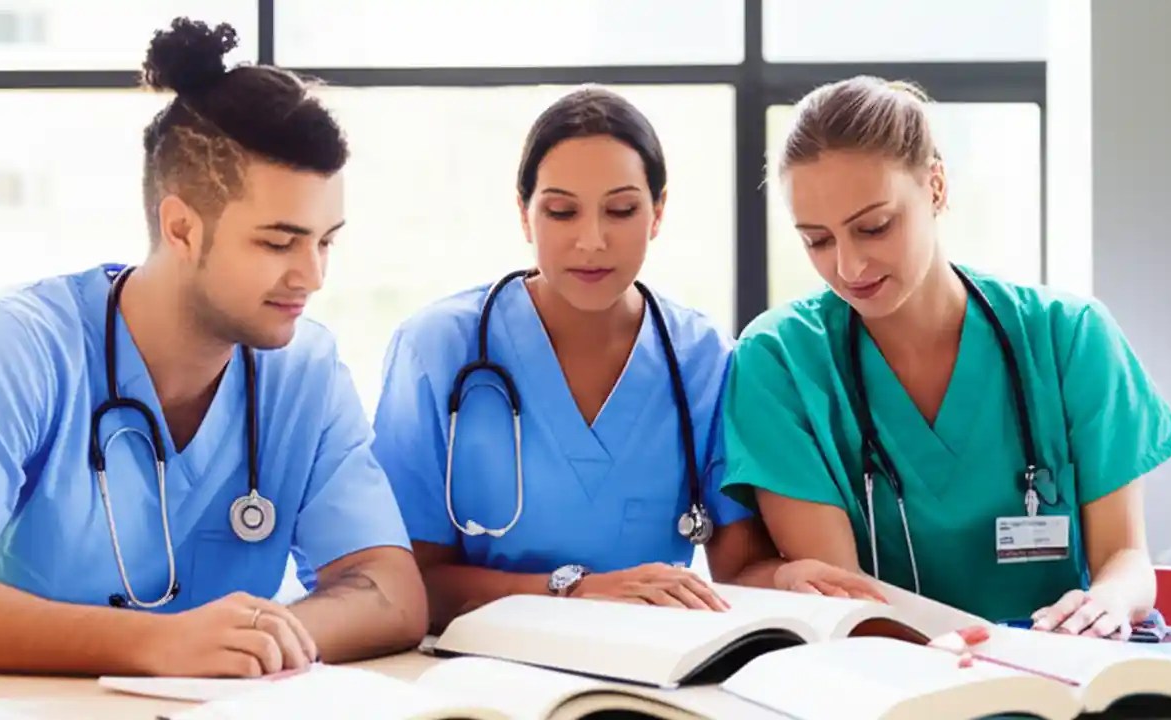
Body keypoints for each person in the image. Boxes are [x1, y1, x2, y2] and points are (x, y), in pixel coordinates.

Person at [0, 18, 427, 677]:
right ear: (182, 228)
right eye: (279, 243)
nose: (312, 275)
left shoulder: (304, 371)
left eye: (325, 240)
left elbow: (391, 594)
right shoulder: (13, 348)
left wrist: (252, 640)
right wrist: (154, 643)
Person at [371, 86, 880, 632]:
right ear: (524, 215)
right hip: (475, 663)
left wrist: (786, 578)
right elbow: (404, 582)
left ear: (658, 212)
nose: (592, 241)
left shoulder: (703, 360)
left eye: (621, 210)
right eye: (562, 212)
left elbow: (735, 570)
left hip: (651, 665)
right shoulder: (438, 349)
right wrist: (573, 591)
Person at [720, 75, 1171, 638]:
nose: (848, 266)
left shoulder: (1071, 338)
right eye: (818, 240)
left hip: (1064, 670)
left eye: (874, 227)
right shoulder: (780, 363)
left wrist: (1108, 602)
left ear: (935, 186)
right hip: (888, 673)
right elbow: (845, 598)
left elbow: (1126, 560)